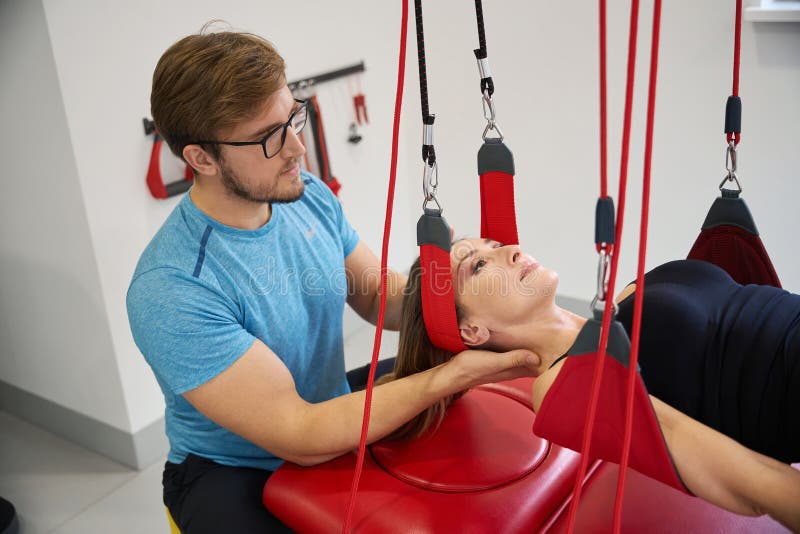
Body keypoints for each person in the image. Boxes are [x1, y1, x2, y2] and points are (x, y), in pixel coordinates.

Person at [126, 28, 537, 533]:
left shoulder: (306, 196)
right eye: (270, 137)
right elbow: (297, 433)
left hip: (327, 403)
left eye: (293, 116)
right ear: (202, 159)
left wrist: (461, 284)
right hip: (234, 468)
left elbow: (375, 296)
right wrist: (446, 378)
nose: (298, 147)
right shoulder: (172, 288)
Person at [382, 237, 800, 531]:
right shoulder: (565, 385)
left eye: (494, 244)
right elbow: (748, 480)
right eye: (477, 264)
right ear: (472, 330)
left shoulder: (619, 302)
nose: (511, 250)